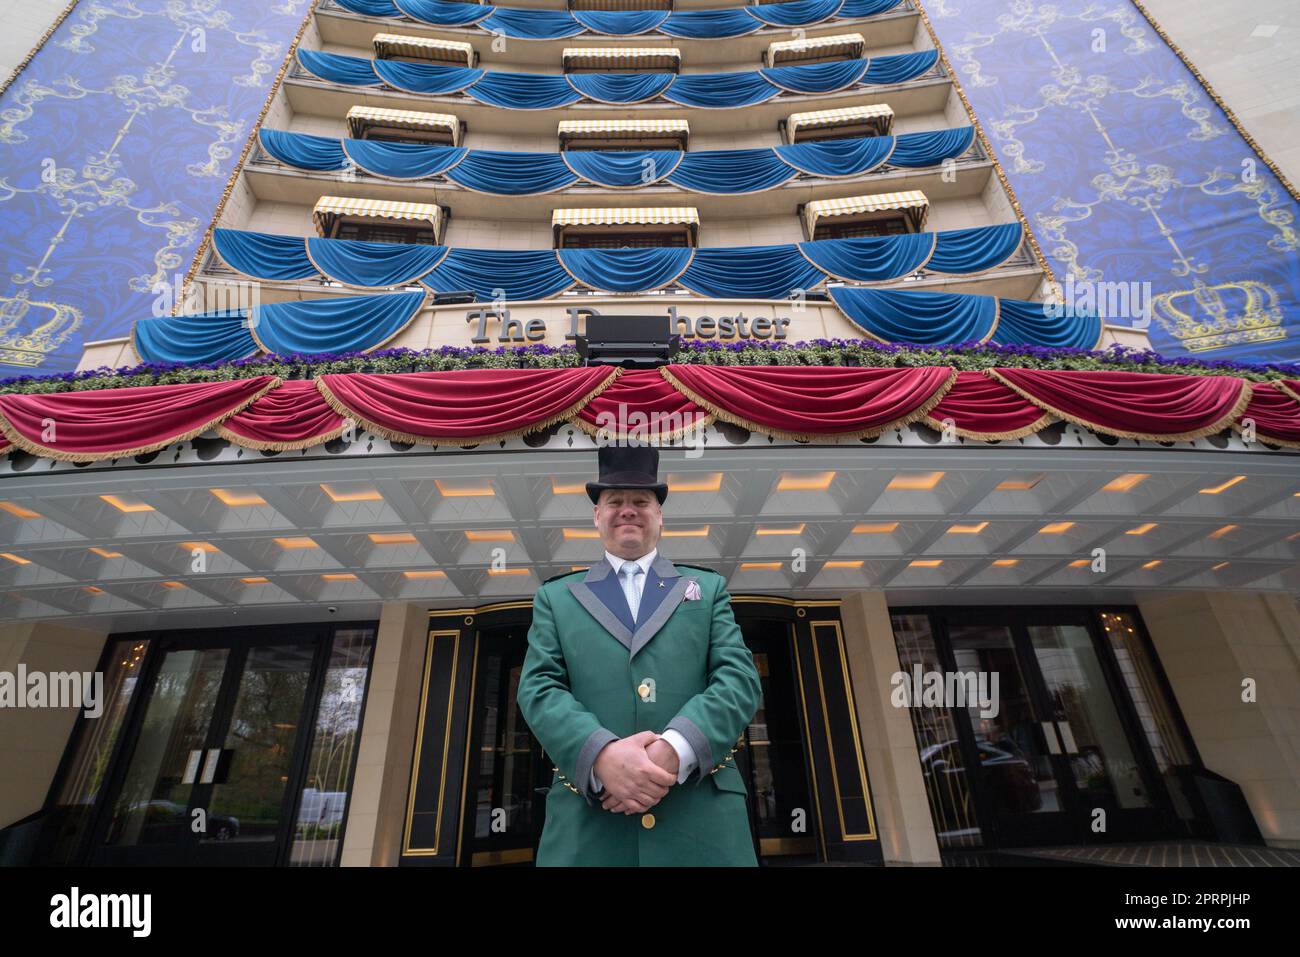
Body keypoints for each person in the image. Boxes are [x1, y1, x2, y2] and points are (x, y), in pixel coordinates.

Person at [517, 443, 762, 866]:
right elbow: (539, 689)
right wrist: (601, 755)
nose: (627, 510)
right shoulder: (556, 598)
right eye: (614, 501)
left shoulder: (707, 589)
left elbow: (738, 679)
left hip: (701, 826)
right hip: (590, 829)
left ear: (660, 516)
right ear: (597, 517)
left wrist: (674, 749)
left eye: (640, 501)